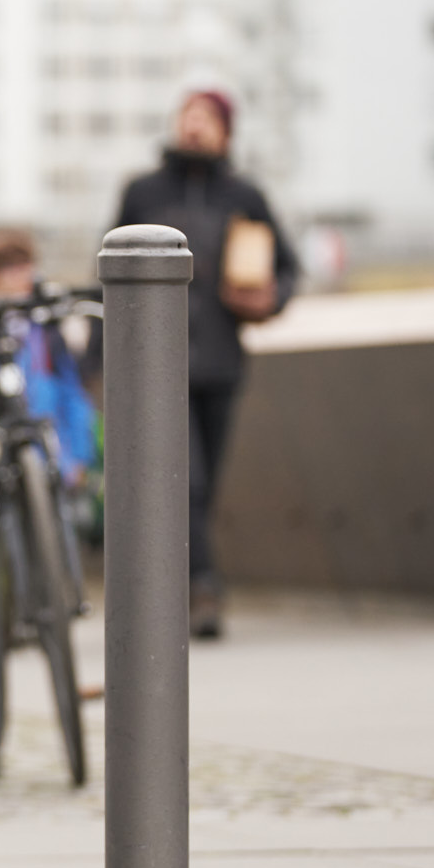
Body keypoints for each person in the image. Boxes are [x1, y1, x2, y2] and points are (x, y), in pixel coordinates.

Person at [112, 89, 298, 639]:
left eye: (207, 119)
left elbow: (288, 270)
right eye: (188, 117)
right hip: (154, 369)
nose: (194, 128)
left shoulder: (246, 196)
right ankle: (204, 588)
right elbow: (113, 266)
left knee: (204, 483)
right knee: (183, 480)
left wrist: (272, 298)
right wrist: (103, 356)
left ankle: (179, 584)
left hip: (220, 365)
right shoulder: (142, 193)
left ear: (226, 132)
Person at [0, 229, 99, 491]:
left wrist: (78, 457)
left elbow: (71, 393)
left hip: (55, 452)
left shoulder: (47, 330)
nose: (18, 277)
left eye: (23, 267)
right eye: (6, 269)